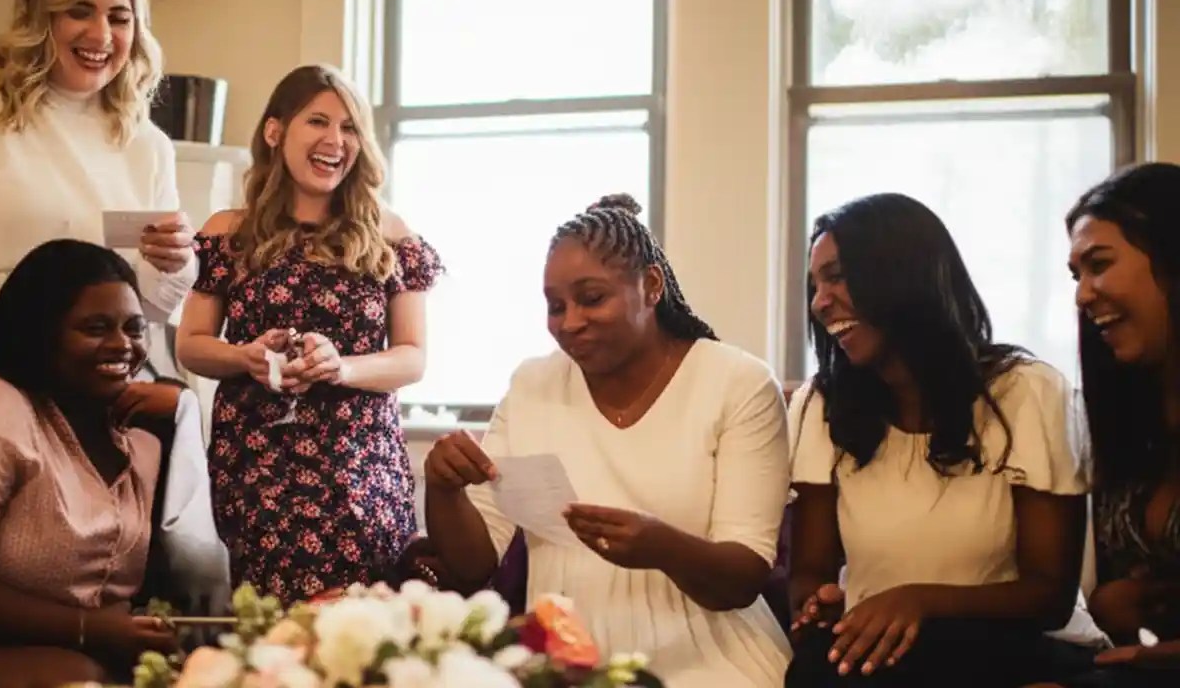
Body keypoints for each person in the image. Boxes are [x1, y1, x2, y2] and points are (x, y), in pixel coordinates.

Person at [423, 194, 793, 688]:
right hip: (562, 669)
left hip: (710, 664)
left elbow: (744, 576)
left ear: (652, 285)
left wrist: (662, 546)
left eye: (592, 298)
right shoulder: (532, 385)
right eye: (556, 306)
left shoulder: (737, 383)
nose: (570, 322)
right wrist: (442, 487)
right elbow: (473, 563)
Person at [785, 193, 1102, 687]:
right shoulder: (821, 404)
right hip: (886, 652)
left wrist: (919, 600)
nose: (819, 302)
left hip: (1012, 643)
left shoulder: (1027, 391)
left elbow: (1050, 596)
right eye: (814, 284)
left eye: (836, 276)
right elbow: (808, 569)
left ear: (903, 273)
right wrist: (818, 605)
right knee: (813, 673)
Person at [175, 64, 444, 603]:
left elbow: (413, 357)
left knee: (364, 636)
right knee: (268, 637)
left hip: (360, 468)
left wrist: (341, 367)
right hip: (256, 470)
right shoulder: (227, 232)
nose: (335, 140)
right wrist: (246, 357)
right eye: (317, 121)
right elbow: (191, 345)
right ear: (275, 132)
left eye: (349, 127)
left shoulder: (391, 234)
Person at [0, 239, 178, 687]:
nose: (122, 345)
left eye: (134, 328)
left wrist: (183, 410)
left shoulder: (132, 435)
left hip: (82, 661)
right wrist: (91, 629)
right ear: (40, 333)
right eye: (96, 328)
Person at [0, 0, 194, 382]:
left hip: (86, 379)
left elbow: (149, 308)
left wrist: (174, 261)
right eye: (79, 11)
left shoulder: (147, 144)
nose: (101, 35)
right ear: (42, 16)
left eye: (119, 17)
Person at [1049, 162, 1180, 687]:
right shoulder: (1122, 419)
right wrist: (1112, 603)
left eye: (1098, 265)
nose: (1082, 294)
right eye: (1076, 275)